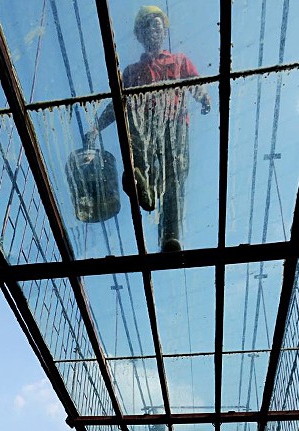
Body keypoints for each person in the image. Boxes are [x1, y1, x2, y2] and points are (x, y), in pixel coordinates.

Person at [88, 5, 211, 253]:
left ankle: (170, 236)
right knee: (138, 142)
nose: (153, 30)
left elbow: (194, 82)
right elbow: (117, 104)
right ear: (139, 35)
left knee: (174, 176)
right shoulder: (132, 72)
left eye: (157, 25)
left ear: (164, 30)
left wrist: (203, 97)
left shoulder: (178, 61)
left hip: (173, 122)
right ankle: (139, 181)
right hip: (144, 126)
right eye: (147, 26)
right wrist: (97, 127)